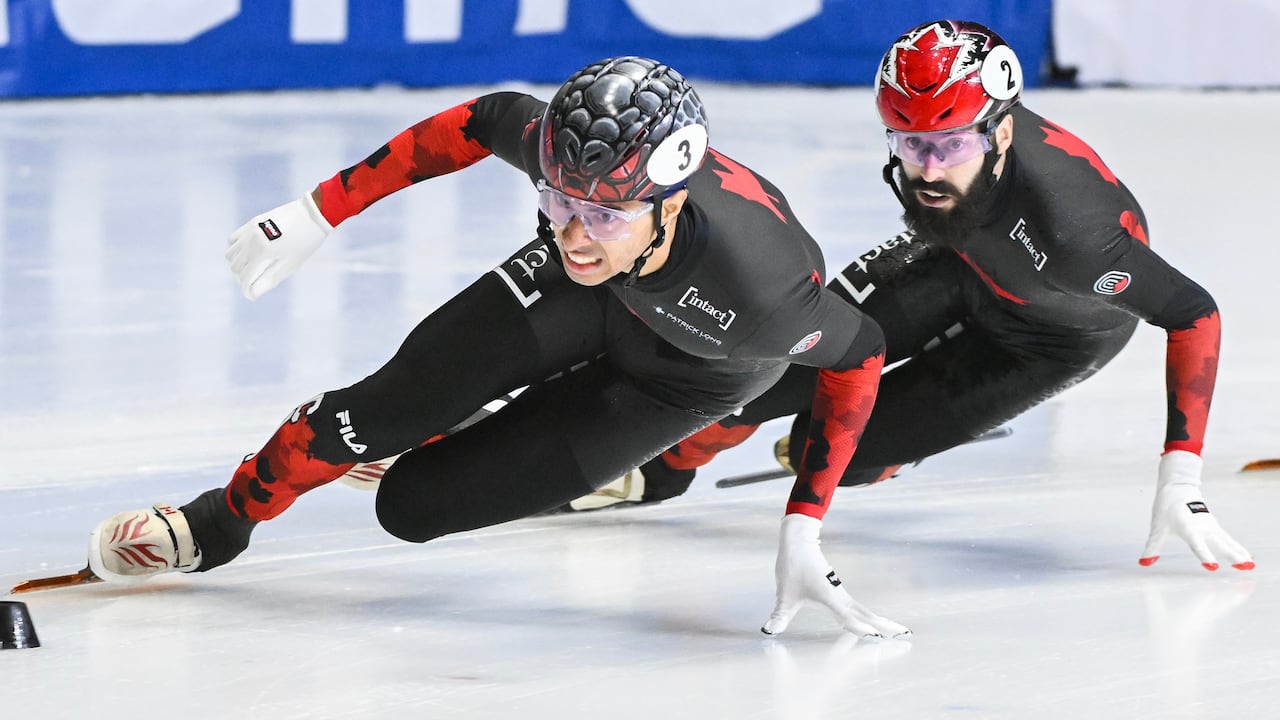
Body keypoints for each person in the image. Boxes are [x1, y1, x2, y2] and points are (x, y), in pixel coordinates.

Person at [84, 56, 910, 638]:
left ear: (668, 204)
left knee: (412, 508)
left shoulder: (761, 291)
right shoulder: (584, 183)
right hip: (597, 300)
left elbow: (860, 351)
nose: (577, 232)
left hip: (689, 374)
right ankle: (218, 523)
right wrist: (319, 210)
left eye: (607, 215)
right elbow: (481, 119)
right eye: (557, 199)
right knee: (371, 416)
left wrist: (804, 522)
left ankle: (567, 462)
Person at [570, 21, 1255, 580]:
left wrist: (1182, 473)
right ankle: (663, 470)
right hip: (956, 261)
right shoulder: (957, 151)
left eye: (950, 145)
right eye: (909, 143)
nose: (926, 169)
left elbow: (1194, 311)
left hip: (1049, 343)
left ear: (1003, 132)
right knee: (773, 369)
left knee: (822, 444)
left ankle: (888, 450)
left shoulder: (1076, 234)